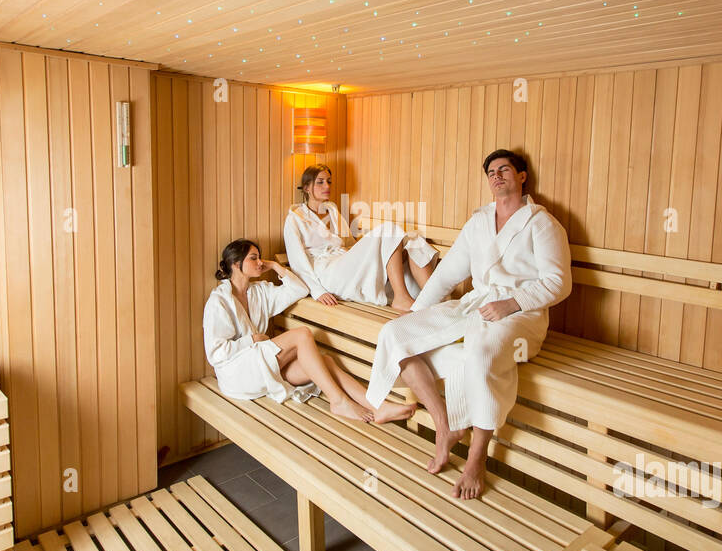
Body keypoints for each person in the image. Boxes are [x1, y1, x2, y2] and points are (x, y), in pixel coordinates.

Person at [364, 150, 572, 500]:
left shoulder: (542, 223)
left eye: (504, 169)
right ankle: (445, 427)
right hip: (475, 304)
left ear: (522, 176)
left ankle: (477, 458)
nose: (496, 176)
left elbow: (559, 282)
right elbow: (447, 273)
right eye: (490, 172)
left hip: (521, 315)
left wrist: (510, 304)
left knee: (478, 356)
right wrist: (418, 312)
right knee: (396, 334)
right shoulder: (479, 222)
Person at [203, 238, 416, 424]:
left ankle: (378, 407)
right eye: (254, 258)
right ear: (236, 264)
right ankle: (338, 400)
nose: (260, 263)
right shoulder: (219, 301)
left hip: (260, 367)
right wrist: (252, 339)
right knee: (302, 334)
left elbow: (299, 289)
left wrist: (277, 267)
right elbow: (215, 353)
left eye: (260, 258)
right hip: (236, 374)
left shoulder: (259, 293)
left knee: (326, 362)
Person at [284, 164, 438, 313]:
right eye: (320, 182)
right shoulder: (295, 219)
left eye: (329, 181)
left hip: (345, 264)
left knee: (413, 240)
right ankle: (401, 297)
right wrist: (317, 291)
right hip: (327, 274)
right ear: (306, 188)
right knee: (389, 229)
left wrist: (380, 252)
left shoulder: (333, 211)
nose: (327, 186)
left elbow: (350, 245)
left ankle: (433, 298)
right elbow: (297, 262)